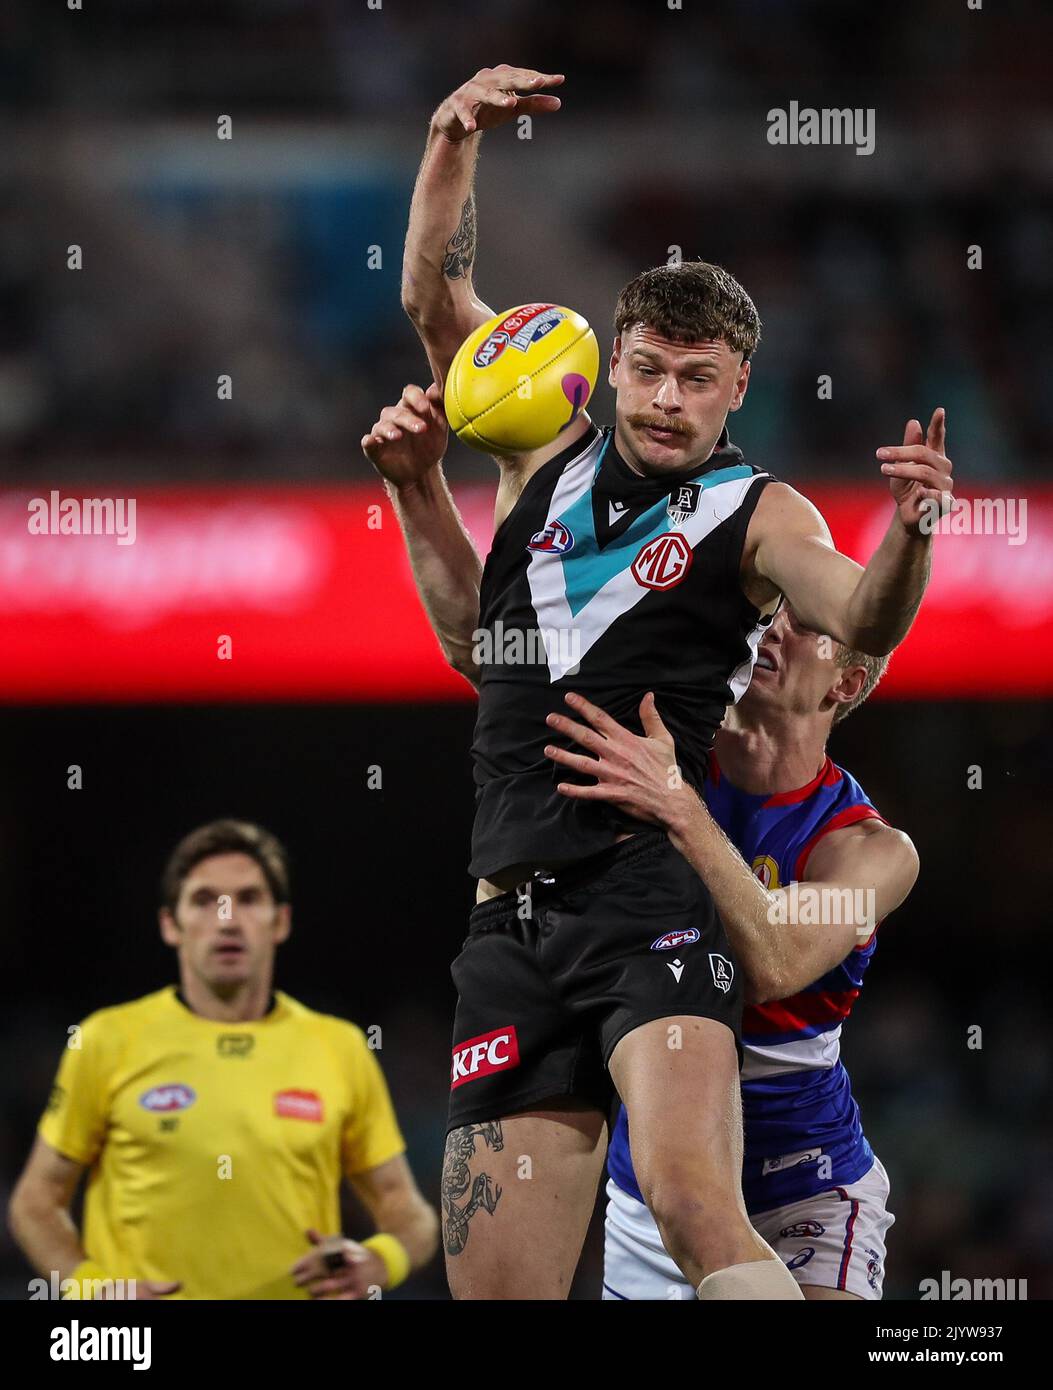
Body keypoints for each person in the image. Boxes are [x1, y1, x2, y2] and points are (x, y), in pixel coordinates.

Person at [370, 63, 952, 1300]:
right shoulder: (539, 446)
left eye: (698, 378)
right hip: (505, 919)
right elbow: (432, 299)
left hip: (647, 897)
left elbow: (863, 613)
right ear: (611, 366)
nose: (669, 399)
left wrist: (911, 531)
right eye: (648, 371)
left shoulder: (757, 513)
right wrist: (448, 141)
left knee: (696, 1211)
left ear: (738, 384)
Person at [539, 606, 916, 1300]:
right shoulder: (650, 766)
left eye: (804, 626)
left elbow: (773, 965)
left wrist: (678, 808)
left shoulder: (871, 852)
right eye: (768, 615)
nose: (771, 631)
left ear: (846, 681)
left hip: (805, 1185)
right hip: (653, 1189)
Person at [9, 820, 438, 1300]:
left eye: (249, 899)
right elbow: (36, 1202)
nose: (228, 918)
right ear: (170, 925)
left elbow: (409, 1212)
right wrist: (92, 1290)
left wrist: (381, 1261)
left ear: (281, 921)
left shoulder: (339, 1047)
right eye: (204, 900)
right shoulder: (106, 1040)